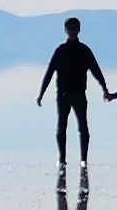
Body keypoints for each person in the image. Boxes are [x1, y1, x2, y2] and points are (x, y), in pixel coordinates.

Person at [35, 19, 105, 166]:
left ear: (79, 30)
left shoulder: (84, 50)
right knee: (61, 127)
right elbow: (49, 73)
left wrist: (104, 88)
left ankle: (84, 159)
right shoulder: (60, 50)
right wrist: (41, 93)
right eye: (69, 29)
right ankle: (62, 158)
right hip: (63, 95)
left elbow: (96, 70)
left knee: (83, 127)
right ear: (65, 30)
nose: (72, 31)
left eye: (74, 28)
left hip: (79, 94)